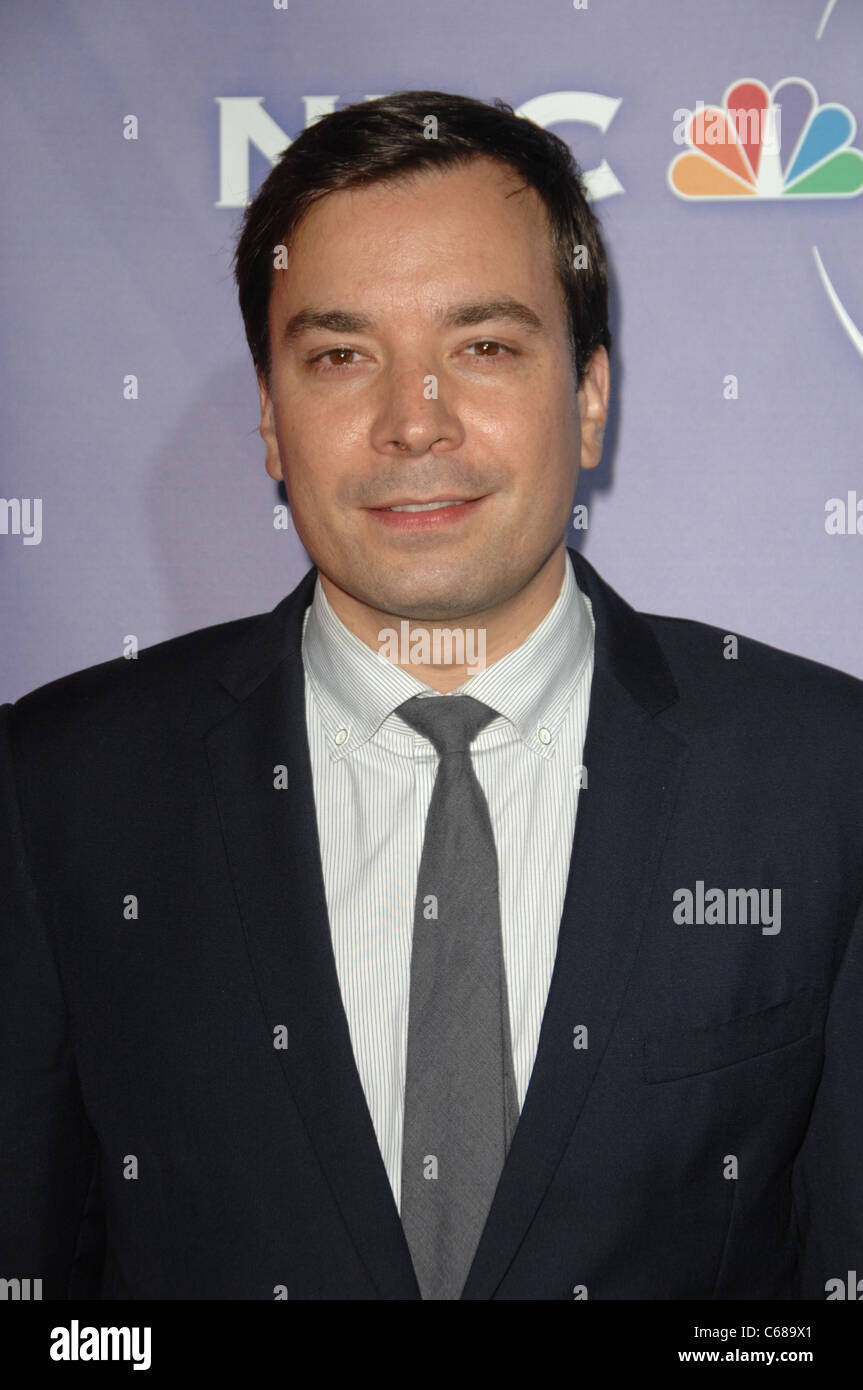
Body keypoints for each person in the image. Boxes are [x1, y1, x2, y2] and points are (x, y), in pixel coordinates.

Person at [1, 90, 861, 1301]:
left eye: (484, 346)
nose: (413, 421)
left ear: (591, 396)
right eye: (342, 355)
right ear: (267, 415)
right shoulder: (57, 793)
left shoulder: (819, 778)